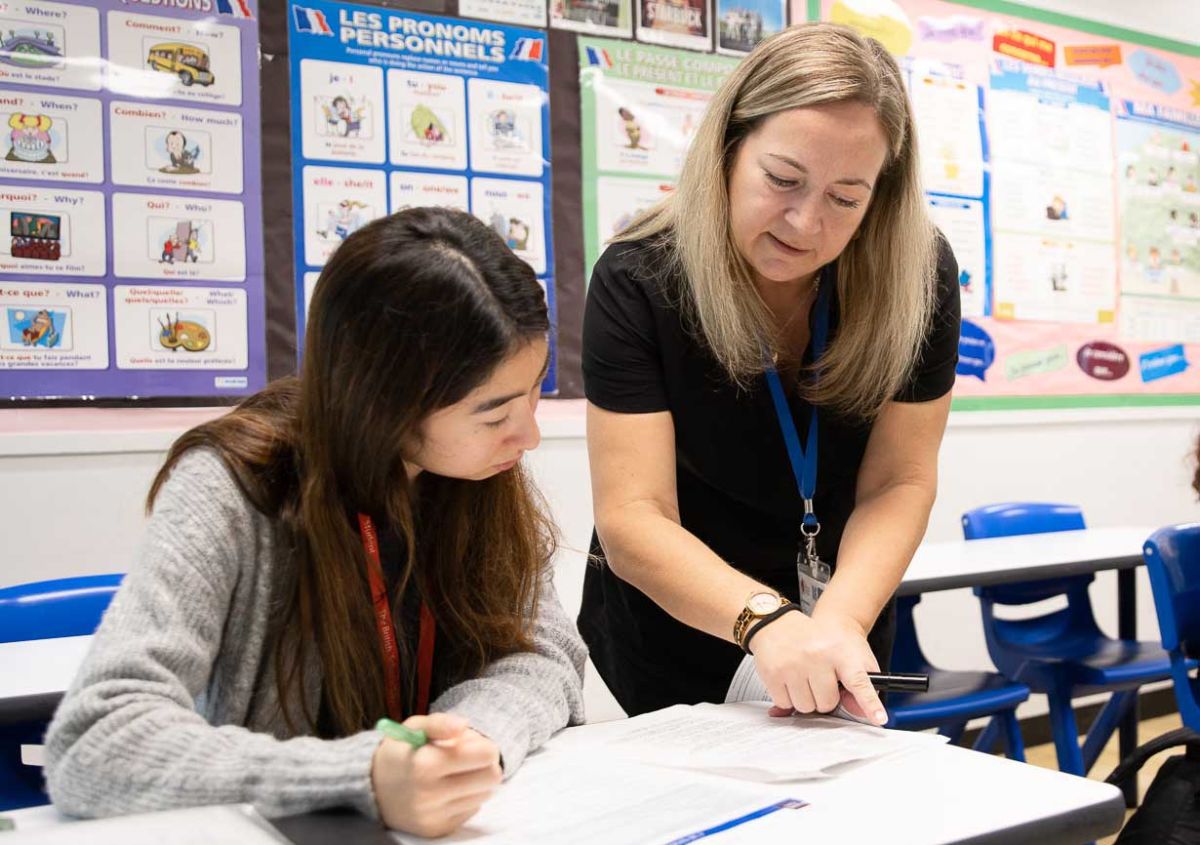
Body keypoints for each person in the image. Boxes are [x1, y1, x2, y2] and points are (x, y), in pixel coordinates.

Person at [45, 207, 586, 838]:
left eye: (535, 391)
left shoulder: (478, 476)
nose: (529, 435)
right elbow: (95, 740)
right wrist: (360, 776)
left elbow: (542, 654)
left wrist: (468, 740)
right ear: (384, 401)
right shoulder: (233, 486)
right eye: (493, 415)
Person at [580, 23, 961, 723]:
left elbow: (899, 480)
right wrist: (766, 621)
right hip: (681, 618)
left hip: (837, 610)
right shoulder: (640, 277)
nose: (805, 223)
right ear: (728, 150)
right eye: (782, 180)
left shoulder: (917, 275)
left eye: (846, 198)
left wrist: (840, 619)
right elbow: (635, 514)